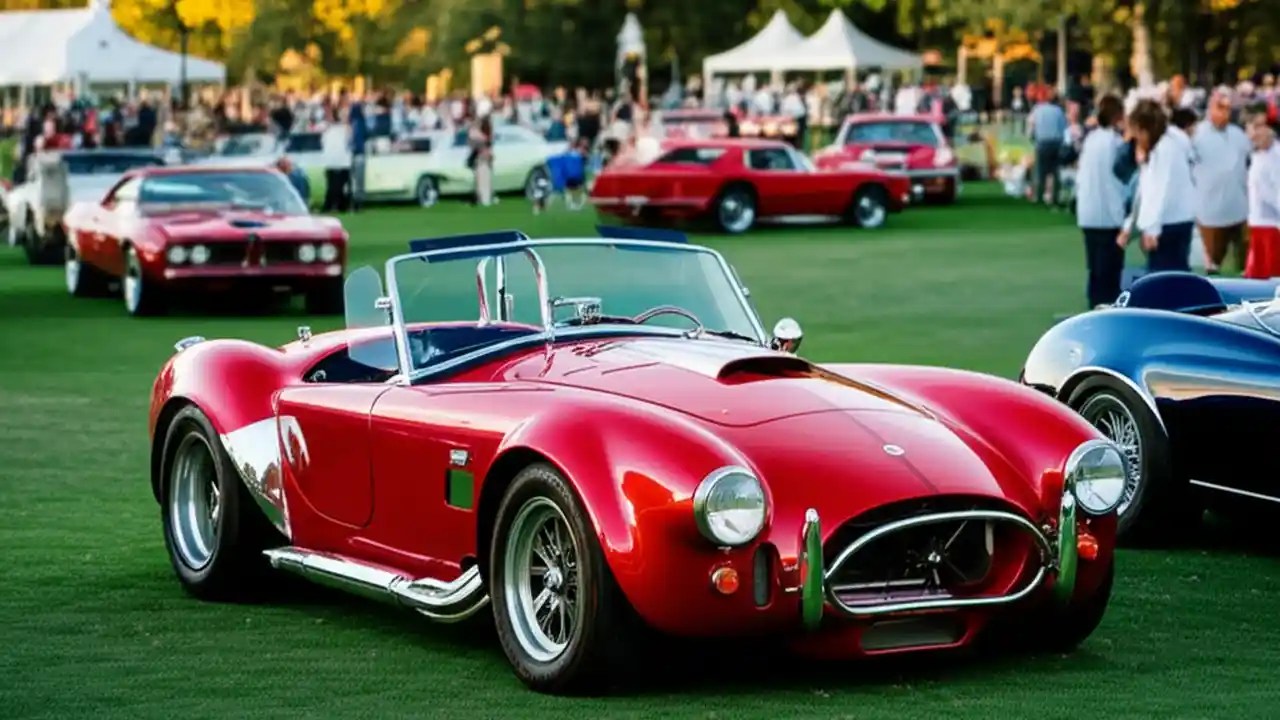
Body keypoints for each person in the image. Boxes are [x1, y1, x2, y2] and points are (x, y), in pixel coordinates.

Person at [1119, 100, 1197, 272]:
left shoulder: (1165, 148)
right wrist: (1129, 226)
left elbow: (1161, 189)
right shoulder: (1159, 146)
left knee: (1167, 281)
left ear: (1145, 129)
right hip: (1169, 222)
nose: (1136, 139)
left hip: (1170, 224)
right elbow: (1145, 190)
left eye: (1137, 133)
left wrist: (1153, 229)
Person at [1076, 96, 1128, 308]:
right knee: (1110, 274)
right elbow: (1121, 180)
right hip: (1110, 216)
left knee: (1095, 271)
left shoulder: (1091, 140)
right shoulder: (1116, 143)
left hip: (1088, 214)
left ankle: (1093, 309)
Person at [1192, 90, 1252, 274]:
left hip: (1240, 209)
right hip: (1211, 214)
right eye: (1220, 107)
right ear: (1210, 108)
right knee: (1213, 267)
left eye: (1227, 108)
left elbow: (1250, 161)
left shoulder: (1238, 134)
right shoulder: (1197, 135)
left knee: (1246, 265)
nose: (1224, 112)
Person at [1244, 116, 1280, 279]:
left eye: (1258, 129)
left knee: (1272, 279)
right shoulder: (1257, 155)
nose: (1253, 135)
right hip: (1258, 223)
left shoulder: (1276, 157)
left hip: (1273, 227)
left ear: (1269, 130)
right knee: (1257, 279)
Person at [1028, 88, 1068, 207]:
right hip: (1056, 142)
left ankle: (1039, 196)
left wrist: (1032, 138)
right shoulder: (1059, 111)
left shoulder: (1037, 110)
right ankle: (1055, 197)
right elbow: (1064, 127)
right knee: (1055, 172)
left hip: (1042, 142)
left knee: (1040, 171)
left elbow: (1031, 126)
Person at [320, 106, 351, 213]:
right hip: (341, 160)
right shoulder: (344, 129)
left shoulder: (329, 129)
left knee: (334, 185)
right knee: (338, 185)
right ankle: (339, 204)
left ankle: (333, 204)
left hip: (335, 160)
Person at [347, 94, 368, 213]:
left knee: (352, 181)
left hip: (350, 155)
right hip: (360, 154)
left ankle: (352, 203)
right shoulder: (361, 123)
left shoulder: (351, 125)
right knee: (360, 181)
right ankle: (359, 203)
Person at [469, 115, 494, 206]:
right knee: (485, 180)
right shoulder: (485, 135)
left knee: (481, 181)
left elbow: (475, 146)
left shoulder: (478, 135)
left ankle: (483, 199)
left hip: (482, 159)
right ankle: (485, 199)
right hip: (485, 159)